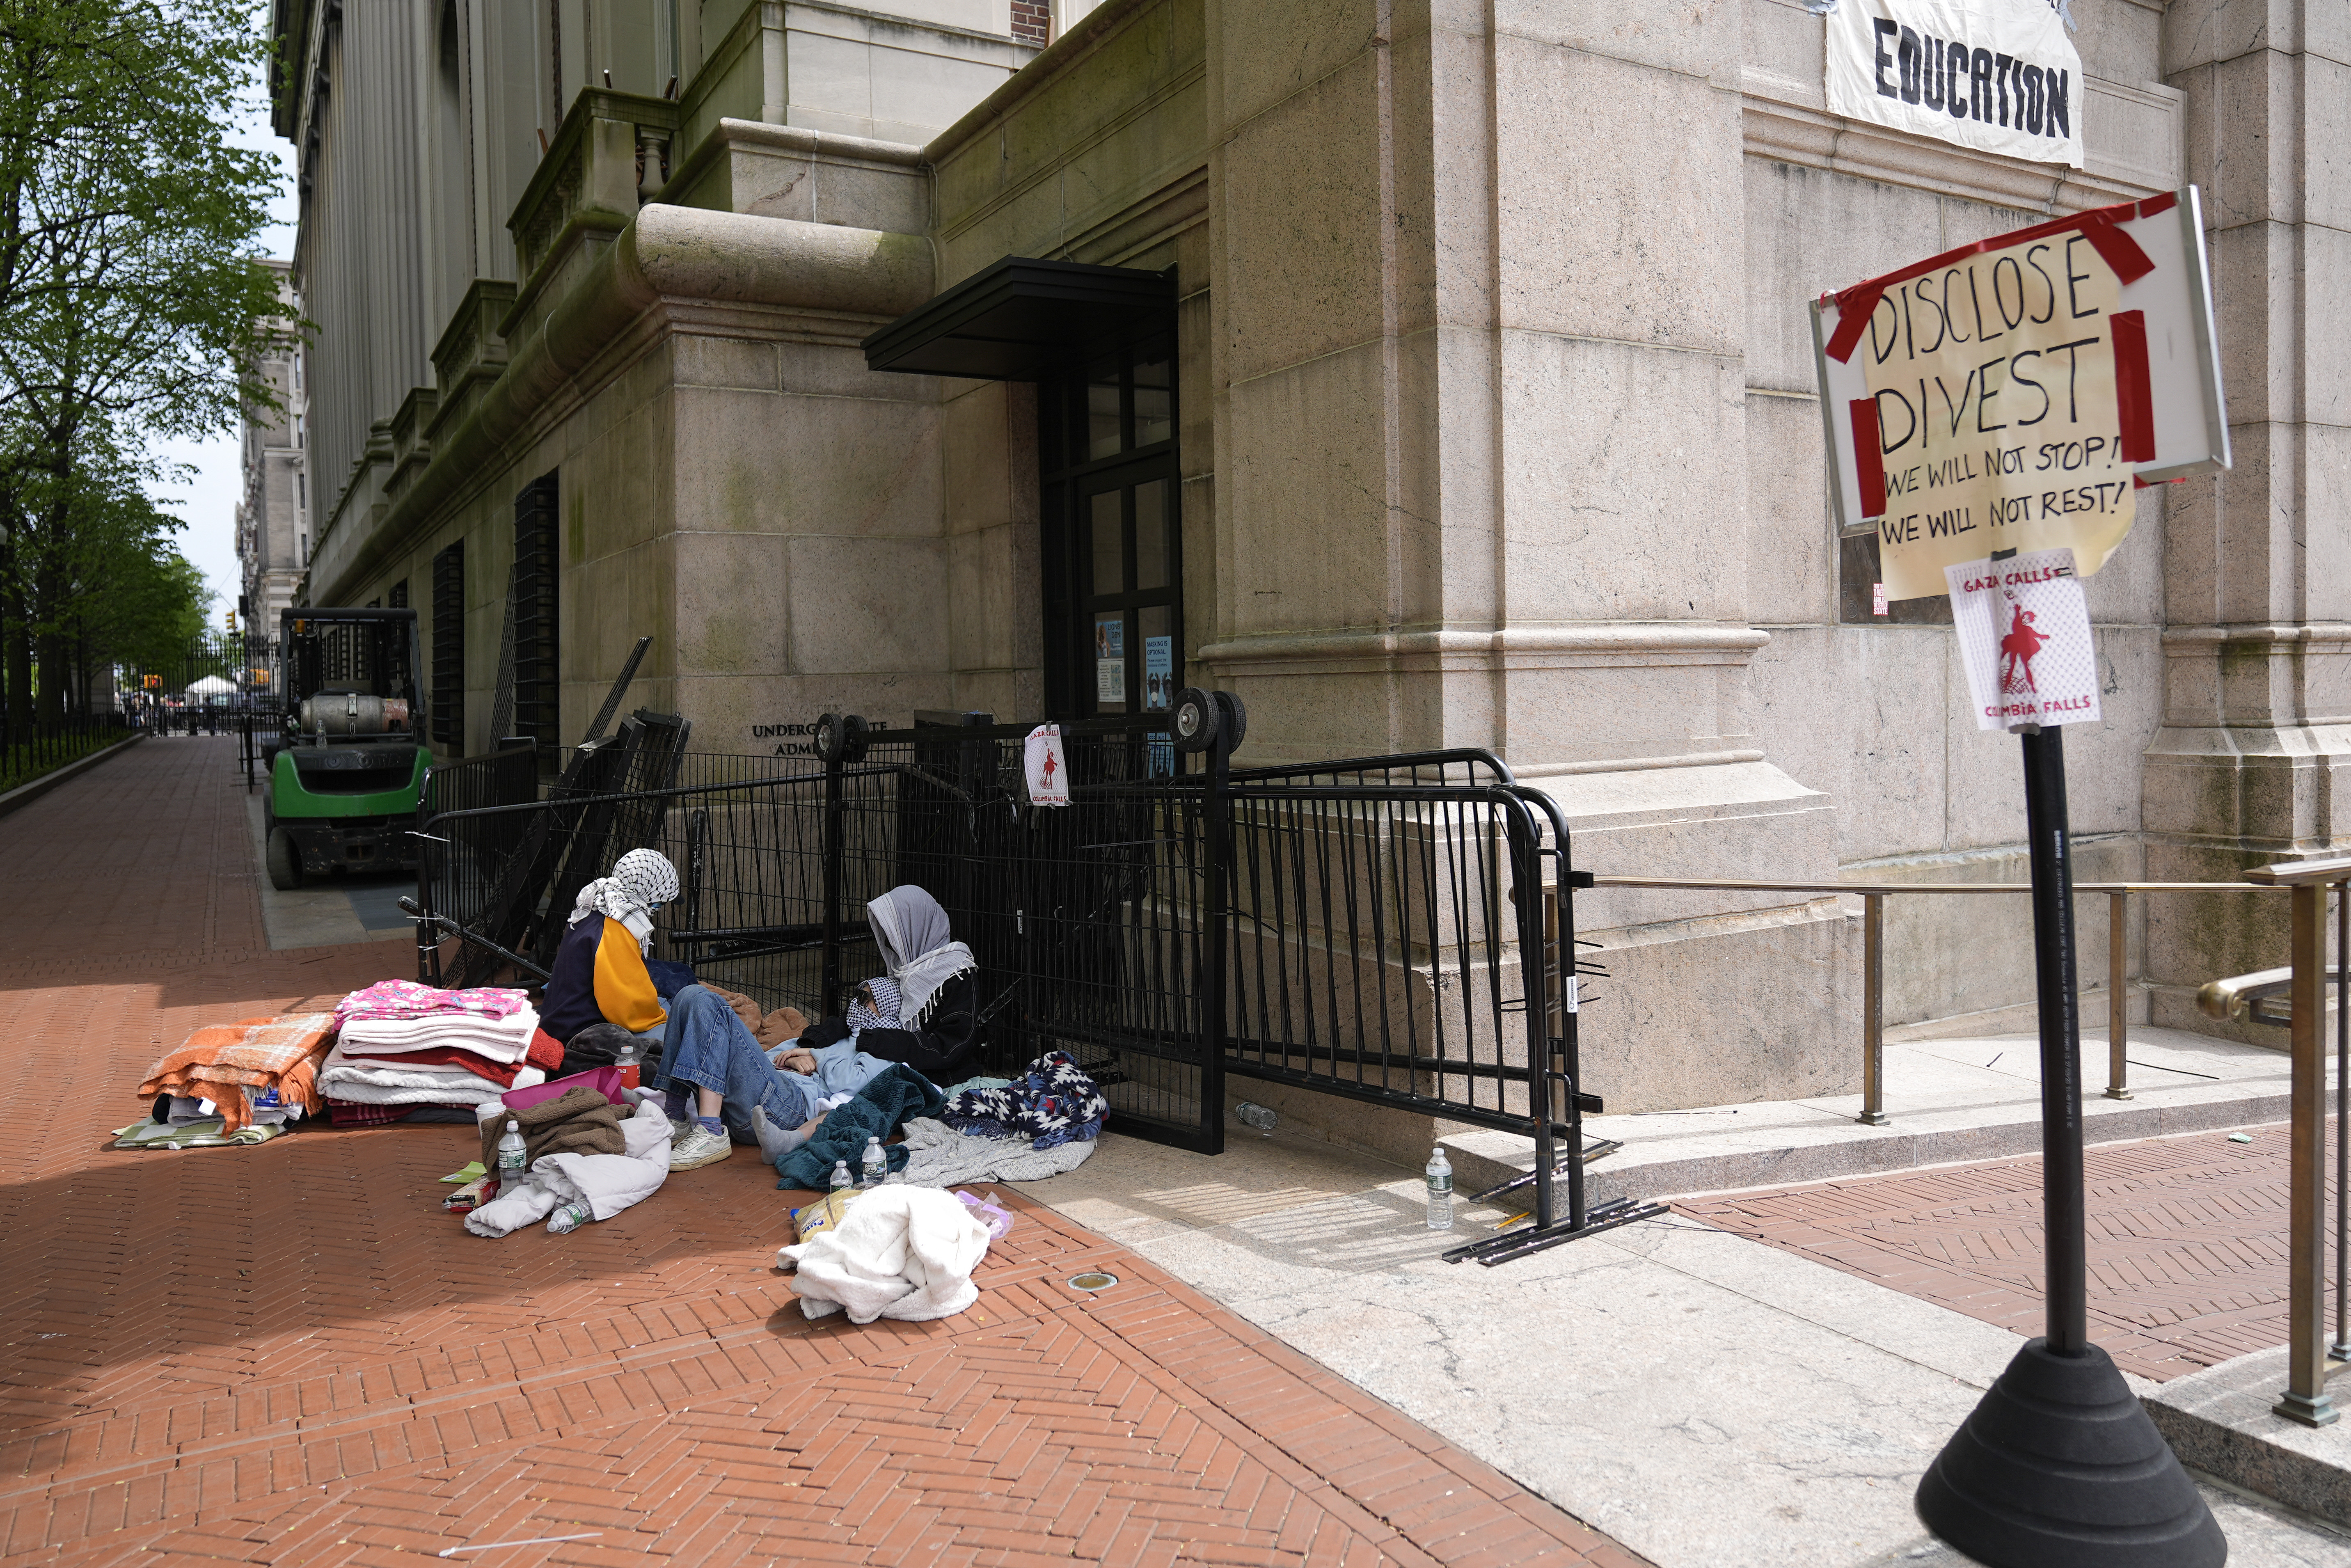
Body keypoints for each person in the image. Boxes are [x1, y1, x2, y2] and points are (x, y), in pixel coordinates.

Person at [796, 886, 983, 1083]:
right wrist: (817, 1041)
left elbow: (948, 1048)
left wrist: (869, 1042)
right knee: (795, 1059)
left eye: (894, 933)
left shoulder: (959, 976)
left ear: (916, 929)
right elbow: (858, 1014)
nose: (887, 943)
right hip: (886, 1060)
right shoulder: (904, 965)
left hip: (936, 1076)